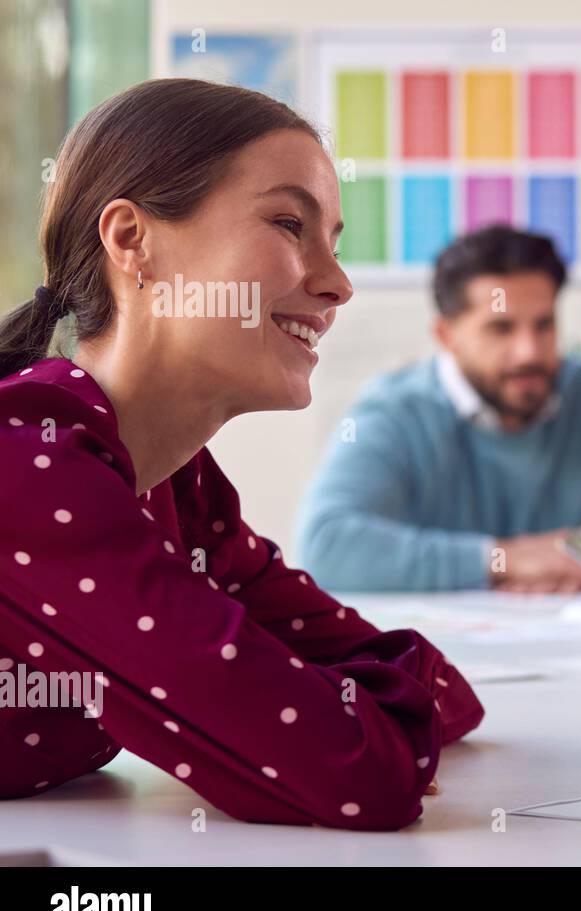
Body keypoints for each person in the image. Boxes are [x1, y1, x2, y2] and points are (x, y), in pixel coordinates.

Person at [0, 78, 483, 830]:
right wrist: (325, 702)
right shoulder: (27, 466)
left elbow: (437, 687)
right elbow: (357, 773)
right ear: (133, 240)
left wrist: (336, 701)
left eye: (335, 241)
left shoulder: (174, 485)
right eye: (290, 224)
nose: (338, 284)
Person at [296, 224, 581, 593]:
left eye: (544, 325)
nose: (529, 351)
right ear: (447, 335)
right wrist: (503, 560)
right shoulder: (394, 411)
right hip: (435, 657)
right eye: (502, 328)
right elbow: (327, 548)